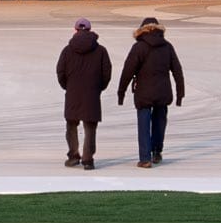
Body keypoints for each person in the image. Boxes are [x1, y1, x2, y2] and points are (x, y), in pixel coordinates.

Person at [121, 15, 187, 166]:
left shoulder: (138, 47)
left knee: (143, 125)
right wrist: (180, 93)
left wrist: (121, 92)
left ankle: (145, 159)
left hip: (143, 92)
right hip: (163, 91)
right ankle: (157, 152)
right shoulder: (167, 46)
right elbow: (177, 70)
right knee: (160, 122)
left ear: (141, 30)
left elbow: (128, 70)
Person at [53, 17, 112, 168]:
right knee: (90, 127)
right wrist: (99, 87)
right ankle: (88, 159)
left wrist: (67, 86)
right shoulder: (101, 51)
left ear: (75, 30)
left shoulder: (67, 50)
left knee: (71, 125)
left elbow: (60, 72)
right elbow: (107, 73)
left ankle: (73, 156)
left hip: (73, 92)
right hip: (92, 94)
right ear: (90, 30)